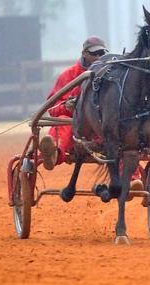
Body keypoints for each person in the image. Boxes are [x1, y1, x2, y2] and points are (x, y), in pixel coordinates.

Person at [37, 37, 144, 188]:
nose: (99, 57)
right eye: (95, 53)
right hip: (77, 128)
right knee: (64, 122)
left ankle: (132, 181)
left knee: (120, 135)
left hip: (102, 125)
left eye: (102, 53)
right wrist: (67, 107)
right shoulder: (69, 75)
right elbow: (52, 107)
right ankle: (54, 153)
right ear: (84, 54)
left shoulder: (112, 74)